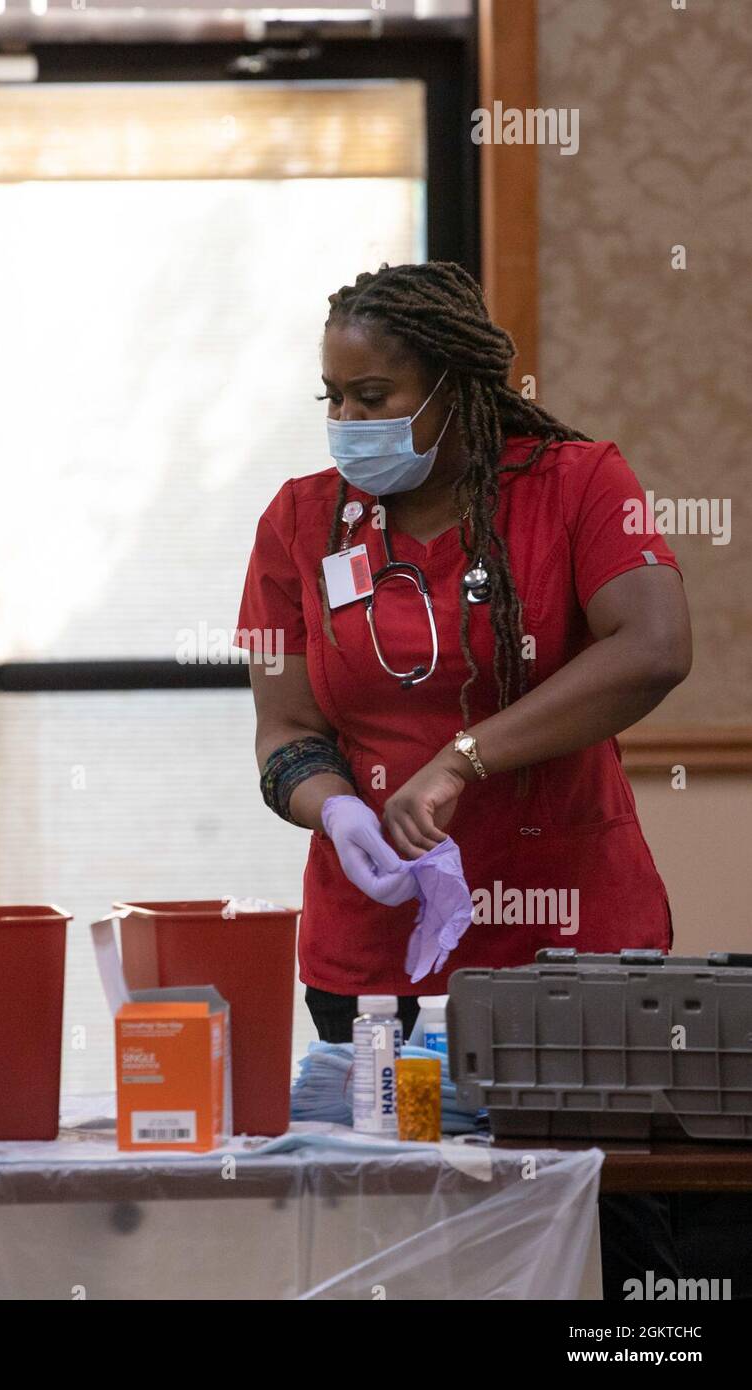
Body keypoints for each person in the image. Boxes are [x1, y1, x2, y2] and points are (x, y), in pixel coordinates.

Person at [233, 261, 693, 1297]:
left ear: (455, 385)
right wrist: (334, 808)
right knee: (400, 1251)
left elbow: (653, 645)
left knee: (607, 1238)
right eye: (333, 399)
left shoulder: (575, 484)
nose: (348, 422)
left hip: (565, 941)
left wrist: (463, 756)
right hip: (374, 958)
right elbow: (284, 728)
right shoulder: (302, 523)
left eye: (374, 397)